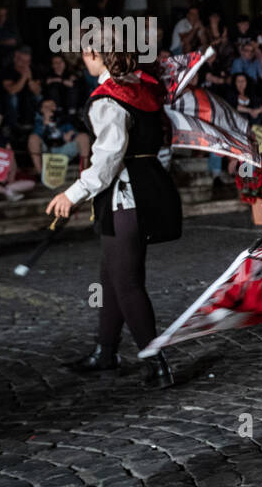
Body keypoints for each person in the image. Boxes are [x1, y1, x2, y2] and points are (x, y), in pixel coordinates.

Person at [46, 43, 184, 388]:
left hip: (125, 196)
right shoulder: (143, 87)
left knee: (127, 283)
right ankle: (105, 352)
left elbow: (106, 162)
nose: (83, 61)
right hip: (147, 189)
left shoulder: (109, 99)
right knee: (111, 276)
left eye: (85, 54)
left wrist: (71, 194)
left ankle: (157, 364)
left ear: (97, 55)